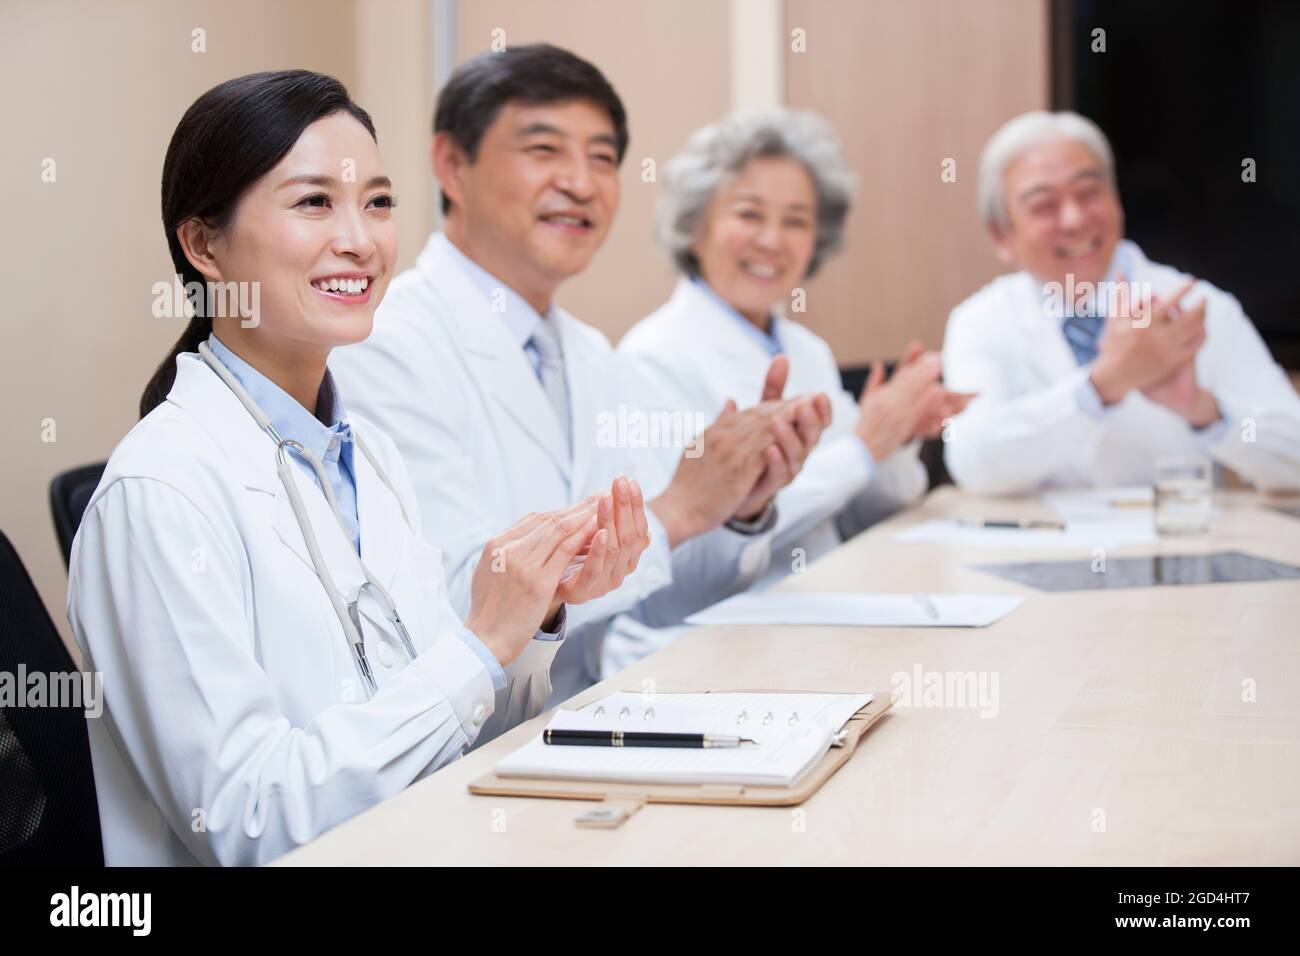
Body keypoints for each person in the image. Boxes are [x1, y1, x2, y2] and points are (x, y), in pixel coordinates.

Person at [66, 70, 640, 866]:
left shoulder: (362, 454)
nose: (361, 240)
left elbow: (448, 729)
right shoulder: (159, 494)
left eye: (376, 202)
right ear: (203, 244)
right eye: (313, 203)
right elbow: (247, 822)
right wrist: (479, 643)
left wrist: (533, 617)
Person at [333, 45, 832, 700]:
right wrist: (678, 508)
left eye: (602, 158)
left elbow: (649, 601)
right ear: (452, 165)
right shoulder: (385, 343)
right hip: (459, 755)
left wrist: (738, 505)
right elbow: (456, 606)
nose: (580, 181)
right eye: (544, 150)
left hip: (585, 717)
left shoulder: (592, 354)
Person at [619, 108, 970, 606]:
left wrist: (897, 434)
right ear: (694, 226)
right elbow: (680, 553)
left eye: (796, 221)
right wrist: (865, 447)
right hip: (707, 641)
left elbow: (862, 509)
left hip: (823, 608)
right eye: (748, 214)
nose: (772, 240)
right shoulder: (651, 356)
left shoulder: (806, 349)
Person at [942, 110, 1300, 494]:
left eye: (1089, 193)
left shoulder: (1199, 306)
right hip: (1044, 547)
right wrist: (1100, 387)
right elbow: (975, 466)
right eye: (1044, 205)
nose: (1074, 218)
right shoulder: (980, 321)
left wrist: (1202, 409)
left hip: (1178, 546)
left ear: (1117, 202)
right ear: (1002, 236)